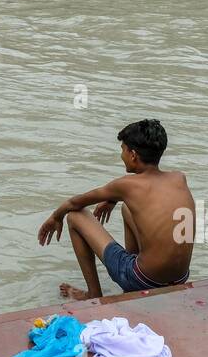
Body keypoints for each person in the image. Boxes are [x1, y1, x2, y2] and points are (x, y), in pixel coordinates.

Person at [37, 119, 194, 300]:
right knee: (127, 208)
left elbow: (74, 203)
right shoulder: (179, 178)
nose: (121, 155)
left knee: (74, 217)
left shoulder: (127, 185)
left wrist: (55, 217)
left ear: (133, 155)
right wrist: (112, 200)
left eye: (123, 150)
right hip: (180, 278)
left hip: (144, 280)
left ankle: (94, 293)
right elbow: (141, 196)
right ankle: (132, 290)